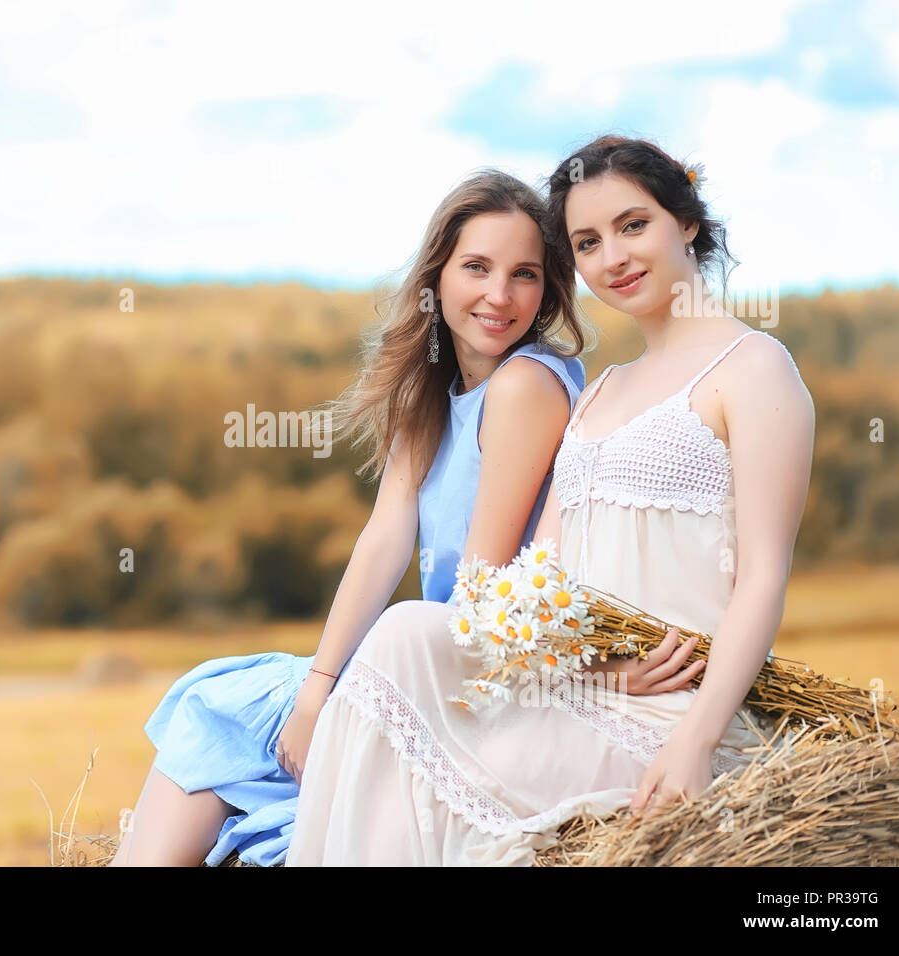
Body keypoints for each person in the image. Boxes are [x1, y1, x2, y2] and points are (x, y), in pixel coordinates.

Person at [286, 134, 815, 866]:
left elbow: (763, 577)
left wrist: (693, 742)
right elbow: (537, 580)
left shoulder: (754, 368)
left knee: (406, 676)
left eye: (634, 225)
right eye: (588, 242)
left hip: (676, 712)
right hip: (584, 693)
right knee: (407, 635)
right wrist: (585, 671)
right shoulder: (601, 391)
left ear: (686, 221)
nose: (615, 258)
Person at [109, 168, 591, 866]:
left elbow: (480, 597)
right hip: (434, 651)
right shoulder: (436, 389)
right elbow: (384, 540)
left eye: (525, 274)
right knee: (233, 700)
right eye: (477, 267)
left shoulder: (524, 387)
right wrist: (317, 691)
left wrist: (343, 699)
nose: (499, 295)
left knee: (225, 708)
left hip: (480, 672)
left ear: (548, 292)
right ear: (438, 275)